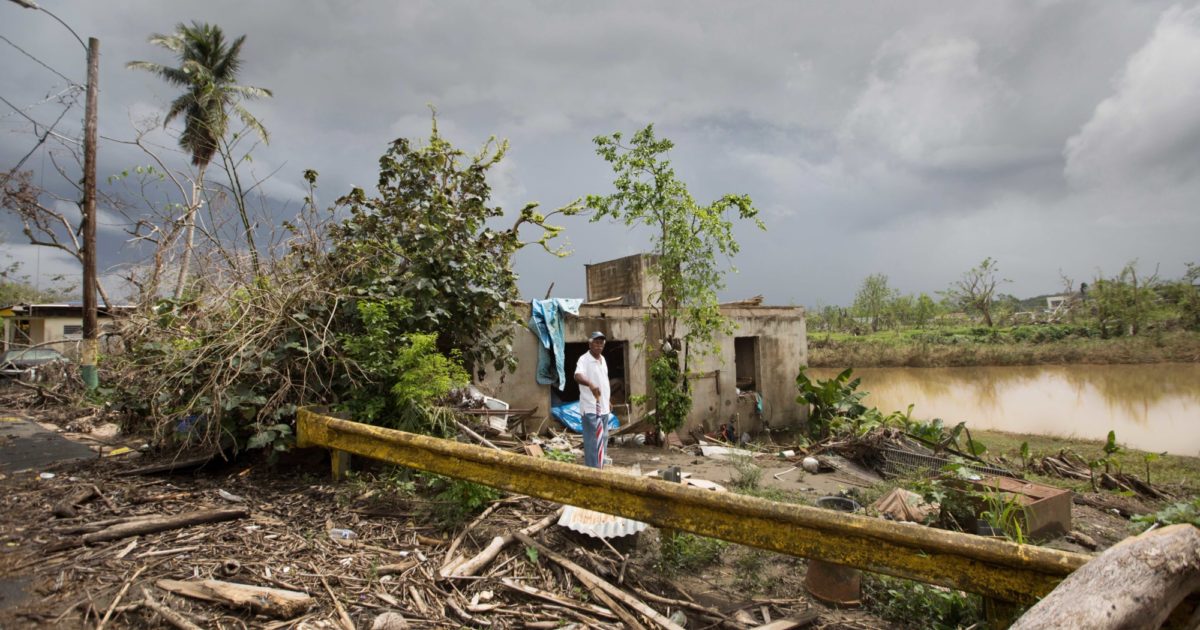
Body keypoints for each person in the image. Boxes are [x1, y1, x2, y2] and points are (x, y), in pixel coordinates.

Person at [574, 331, 610, 469]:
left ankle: (599, 467)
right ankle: (592, 469)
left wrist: (607, 401)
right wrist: (590, 384)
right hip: (590, 407)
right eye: (596, 342)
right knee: (593, 440)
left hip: (604, 407)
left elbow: (603, 381)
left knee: (604, 438)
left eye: (601, 343)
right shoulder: (584, 359)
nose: (598, 345)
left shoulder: (603, 359)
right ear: (590, 344)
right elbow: (577, 376)